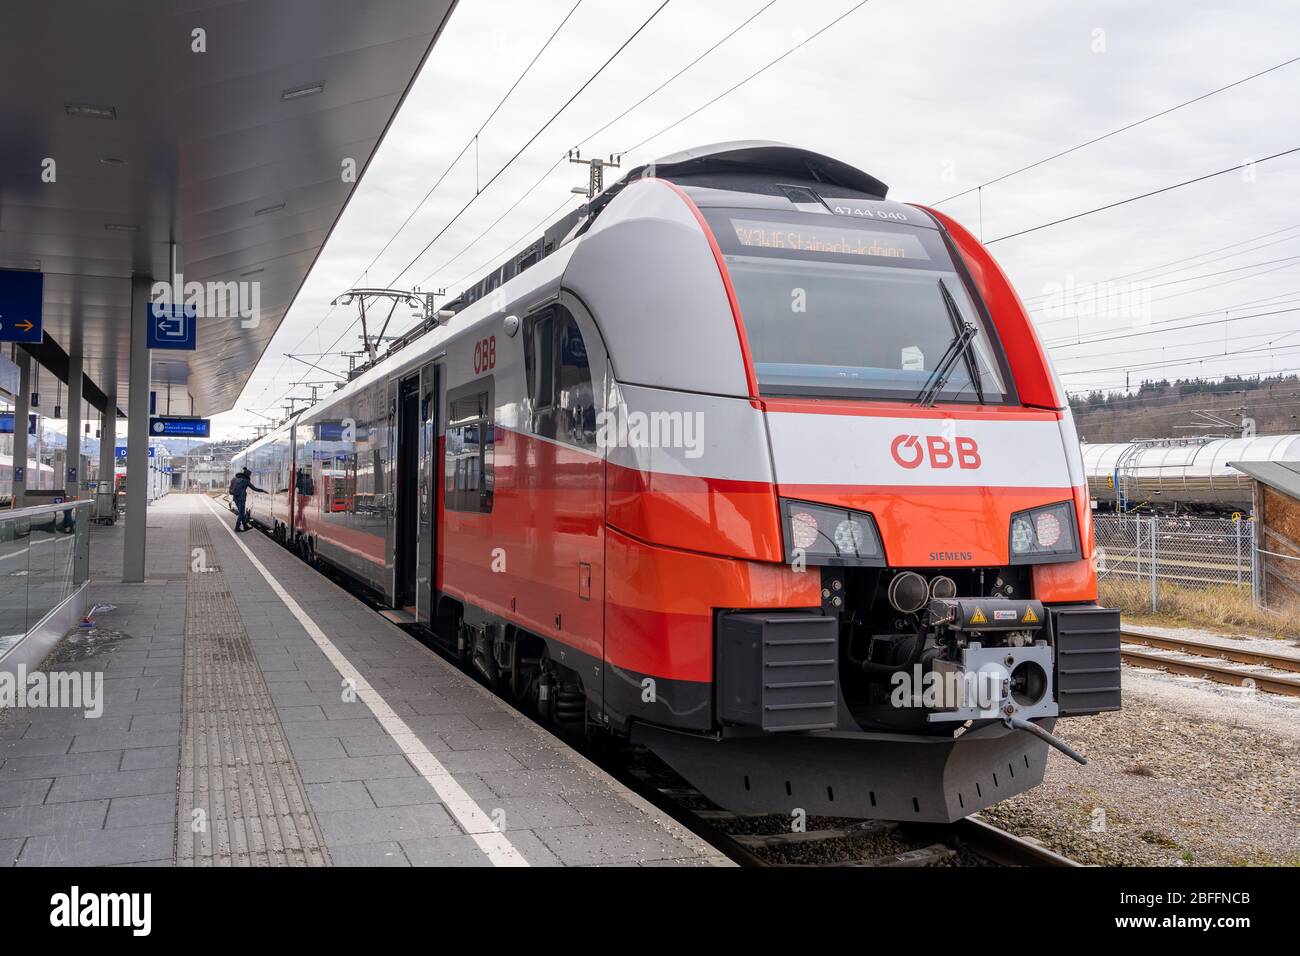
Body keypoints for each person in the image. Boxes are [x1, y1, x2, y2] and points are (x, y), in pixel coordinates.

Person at [230, 467, 265, 533]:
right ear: (248, 475)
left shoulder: (235, 479)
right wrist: (262, 490)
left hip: (235, 498)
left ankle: (245, 526)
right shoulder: (246, 481)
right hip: (242, 499)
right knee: (241, 513)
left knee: (242, 513)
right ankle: (237, 527)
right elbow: (254, 488)